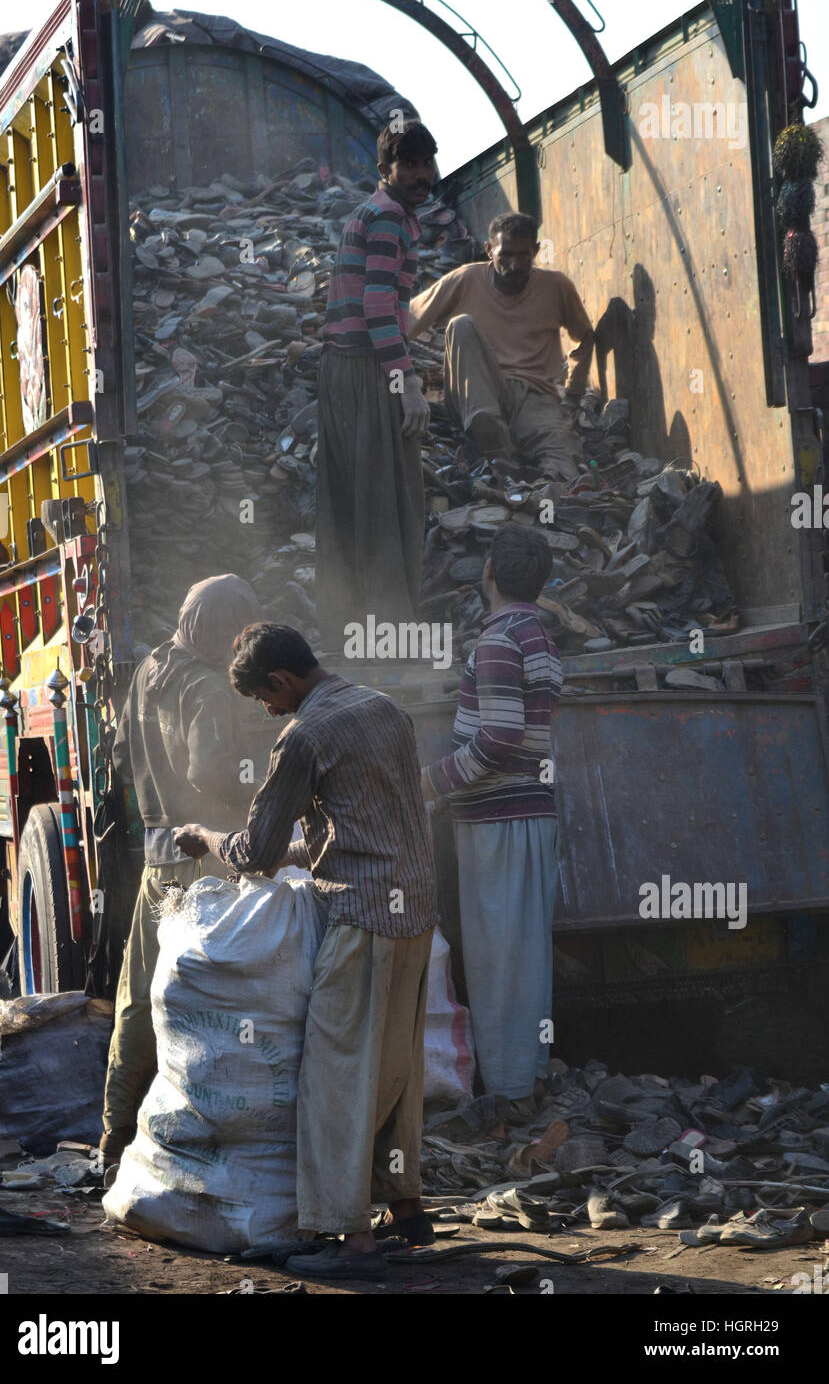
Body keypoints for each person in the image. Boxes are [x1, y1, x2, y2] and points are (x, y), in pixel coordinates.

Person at [174, 624, 438, 1278]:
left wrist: (205, 836)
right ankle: (406, 1211)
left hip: (362, 917)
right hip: (416, 913)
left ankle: (353, 1241)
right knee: (394, 1071)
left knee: (335, 1080)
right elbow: (348, 831)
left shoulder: (304, 735)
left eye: (264, 700)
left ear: (281, 683)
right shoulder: (382, 707)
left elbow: (258, 852)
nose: (266, 713)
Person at [99, 574, 261, 1171]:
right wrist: (266, 779)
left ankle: (117, 1134)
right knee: (209, 999)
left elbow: (119, 757)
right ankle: (201, 1135)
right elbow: (211, 773)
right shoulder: (207, 688)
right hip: (207, 859)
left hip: (157, 856)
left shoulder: (149, 670)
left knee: (140, 994)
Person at [421, 526, 562, 1118]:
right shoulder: (540, 636)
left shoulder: (500, 640)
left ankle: (507, 1094)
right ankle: (523, 1081)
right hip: (527, 812)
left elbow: (499, 737)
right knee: (524, 954)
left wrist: (429, 784)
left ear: (490, 575)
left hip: (498, 819)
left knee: (498, 958)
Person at [316, 117, 437, 650]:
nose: (420, 174)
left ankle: (347, 630)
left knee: (350, 500)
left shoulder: (379, 213)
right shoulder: (388, 218)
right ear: (385, 169)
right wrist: (406, 381)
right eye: (408, 164)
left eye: (425, 163)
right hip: (367, 370)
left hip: (343, 369)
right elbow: (377, 308)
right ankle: (394, 634)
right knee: (389, 497)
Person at [409, 211, 594, 483]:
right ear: (488, 250)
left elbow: (585, 336)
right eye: (505, 254)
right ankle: (495, 445)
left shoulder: (555, 287)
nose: (515, 264)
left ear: (536, 250)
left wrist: (574, 393)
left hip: (534, 395)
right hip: (476, 395)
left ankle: (540, 491)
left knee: (564, 455)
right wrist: (399, 382)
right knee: (461, 326)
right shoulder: (465, 280)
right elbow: (404, 323)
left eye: (523, 255)